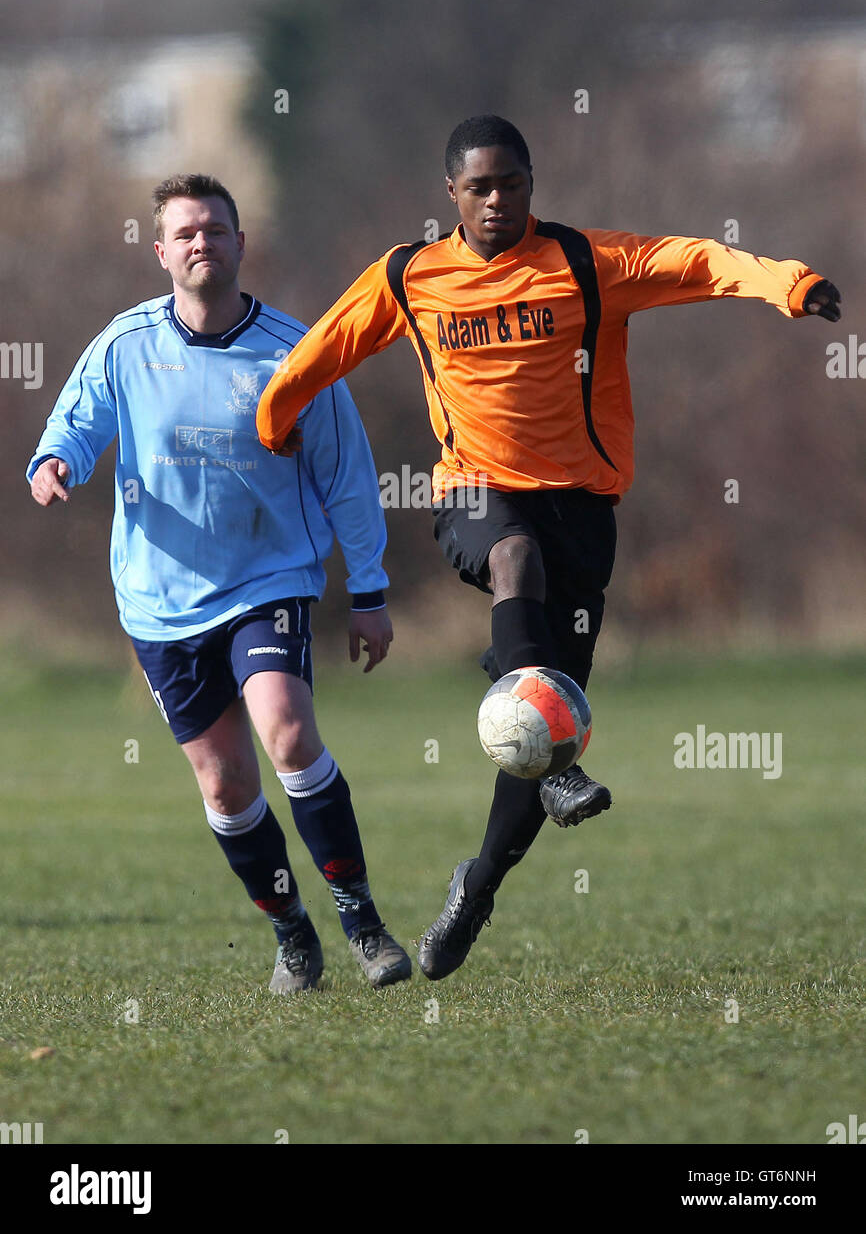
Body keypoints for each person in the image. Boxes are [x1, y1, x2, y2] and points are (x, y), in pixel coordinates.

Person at [255, 115, 842, 981]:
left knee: (550, 722)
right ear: (450, 194)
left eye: (513, 184)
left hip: (583, 509)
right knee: (514, 566)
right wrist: (275, 418)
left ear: (534, 183)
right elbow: (326, 346)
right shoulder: (410, 277)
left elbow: (700, 261)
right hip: (473, 496)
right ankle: (549, 752)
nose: (498, 200)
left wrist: (789, 285)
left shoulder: (585, 265)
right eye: (480, 187)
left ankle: (480, 882)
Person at [27, 172, 411, 993]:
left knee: (287, 732)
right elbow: (79, 418)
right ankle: (293, 934)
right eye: (186, 232)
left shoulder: (294, 352)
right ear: (162, 251)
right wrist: (57, 460)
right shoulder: (126, 345)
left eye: (216, 228)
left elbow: (348, 475)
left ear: (242, 244)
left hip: (268, 580)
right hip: (160, 600)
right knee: (227, 783)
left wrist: (370, 591)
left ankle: (362, 921)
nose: (202, 242)